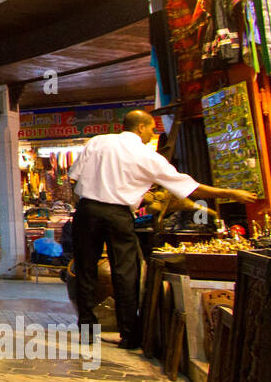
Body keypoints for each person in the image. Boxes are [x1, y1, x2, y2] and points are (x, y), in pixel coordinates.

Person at [68, 109, 258, 348]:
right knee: (125, 272)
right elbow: (190, 188)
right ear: (140, 128)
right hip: (118, 215)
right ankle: (129, 334)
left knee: (86, 269)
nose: (152, 133)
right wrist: (230, 193)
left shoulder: (98, 142)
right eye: (151, 129)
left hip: (87, 211)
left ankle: (86, 328)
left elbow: (73, 177)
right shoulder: (148, 156)